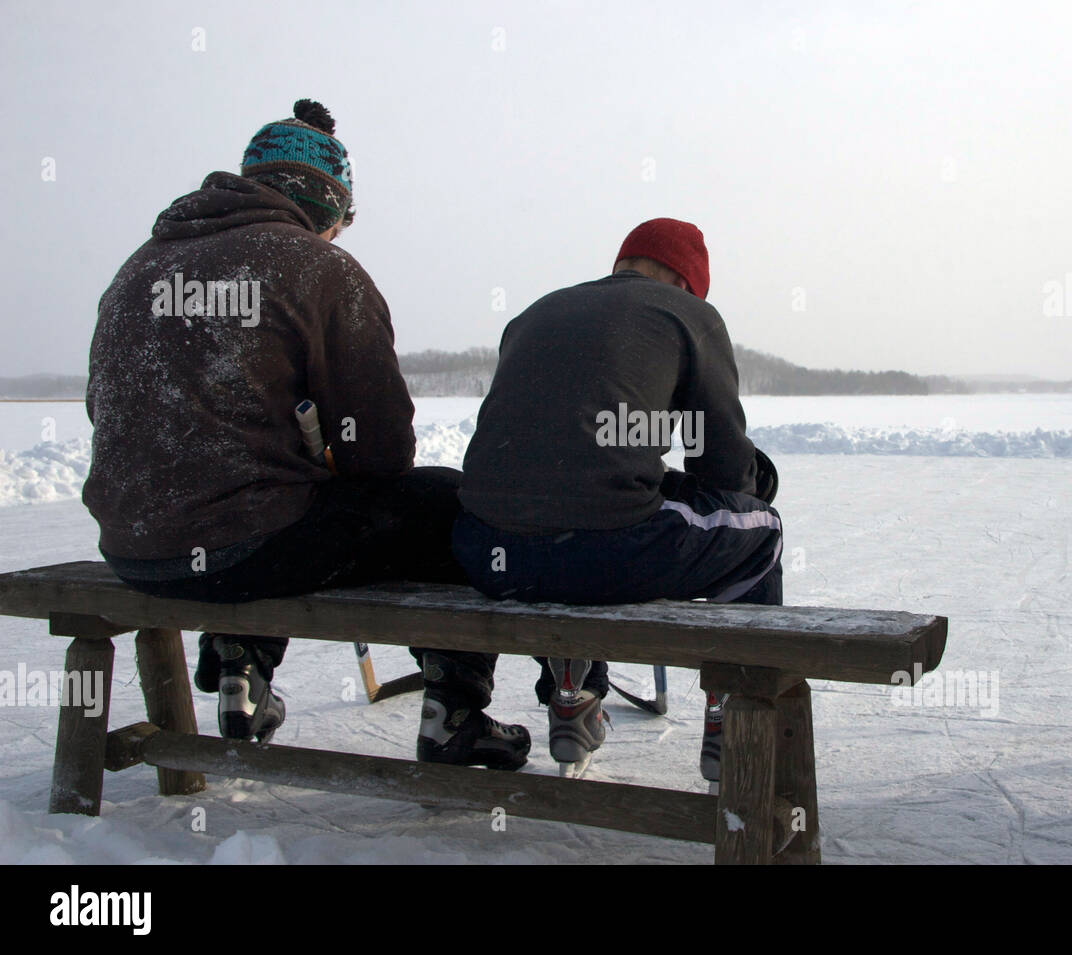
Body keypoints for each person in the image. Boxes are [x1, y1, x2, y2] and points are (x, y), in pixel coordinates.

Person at [83, 100, 529, 770]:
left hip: (133, 545)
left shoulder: (138, 268)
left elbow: (109, 412)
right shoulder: (319, 270)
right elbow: (379, 453)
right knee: (451, 506)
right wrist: (320, 454)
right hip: (242, 548)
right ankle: (454, 711)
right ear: (325, 210)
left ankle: (241, 659)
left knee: (265, 503)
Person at [453, 217, 782, 779]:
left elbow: (553, 452)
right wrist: (754, 483)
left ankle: (573, 687)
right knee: (761, 534)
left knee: (572, 510)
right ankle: (736, 719)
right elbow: (722, 467)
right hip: (603, 551)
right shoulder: (691, 316)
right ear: (687, 282)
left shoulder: (537, 311)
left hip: (484, 549)